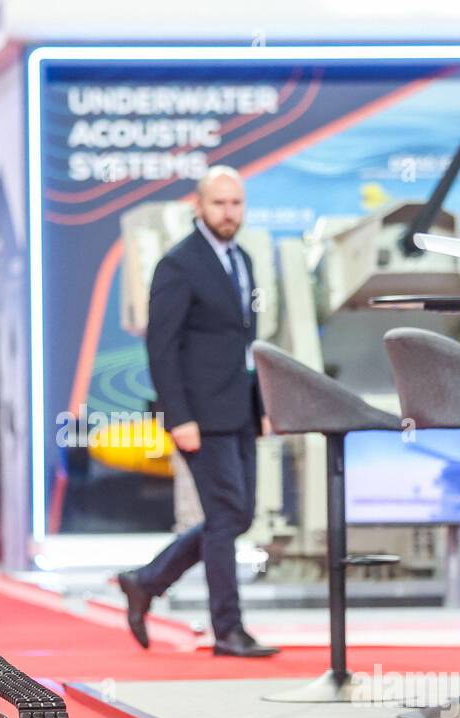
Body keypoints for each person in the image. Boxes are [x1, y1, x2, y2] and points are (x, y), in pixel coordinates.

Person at [116, 166, 278, 657]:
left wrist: (262, 407)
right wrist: (178, 416)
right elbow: (162, 350)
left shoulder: (243, 259)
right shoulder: (179, 264)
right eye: (219, 204)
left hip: (240, 411)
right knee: (225, 516)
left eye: (236, 204)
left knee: (240, 515)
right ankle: (228, 629)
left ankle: (145, 581)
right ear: (199, 206)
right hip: (199, 417)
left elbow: (244, 346)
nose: (229, 213)